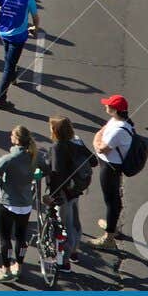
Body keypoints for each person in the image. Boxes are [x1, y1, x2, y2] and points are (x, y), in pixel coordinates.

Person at [0, 125, 38, 283]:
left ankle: (5, 270)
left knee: (5, 238)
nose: (10, 136)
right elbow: (45, 170)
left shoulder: (8, 159)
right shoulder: (34, 156)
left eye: (12, 135)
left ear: (17, 139)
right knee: (21, 237)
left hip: (7, 203)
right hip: (26, 204)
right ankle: (18, 267)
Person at [87, 93, 135, 249]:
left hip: (111, 167)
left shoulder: (118, 131)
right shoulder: (119, 121)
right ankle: (112, 225)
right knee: (113, 199)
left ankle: (109, 237)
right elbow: (103, 130)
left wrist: (96, 140)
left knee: (111, 200)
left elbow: (101, 148)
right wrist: (99, 137)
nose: (105, 106)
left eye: (108, 105)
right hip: (110, 164)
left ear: (115, 110)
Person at [45, 115, 93, 268]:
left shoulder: (57, 148)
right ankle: (74, 252)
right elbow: (93, 161)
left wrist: (52, 196)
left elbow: (57, 174)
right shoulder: (77, 142)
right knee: (75, 220)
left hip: (64, 192)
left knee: (65, 224)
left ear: (55, 130)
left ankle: (64, 261)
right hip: (76, 188)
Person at [0, 0, 39, 110]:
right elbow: (36, 18)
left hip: (3, 33)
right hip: (18, 37)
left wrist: (2, 12)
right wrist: (35, 29)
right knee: (8, 67)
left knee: (9, 58)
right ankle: (1, 99)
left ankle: (13, 76)